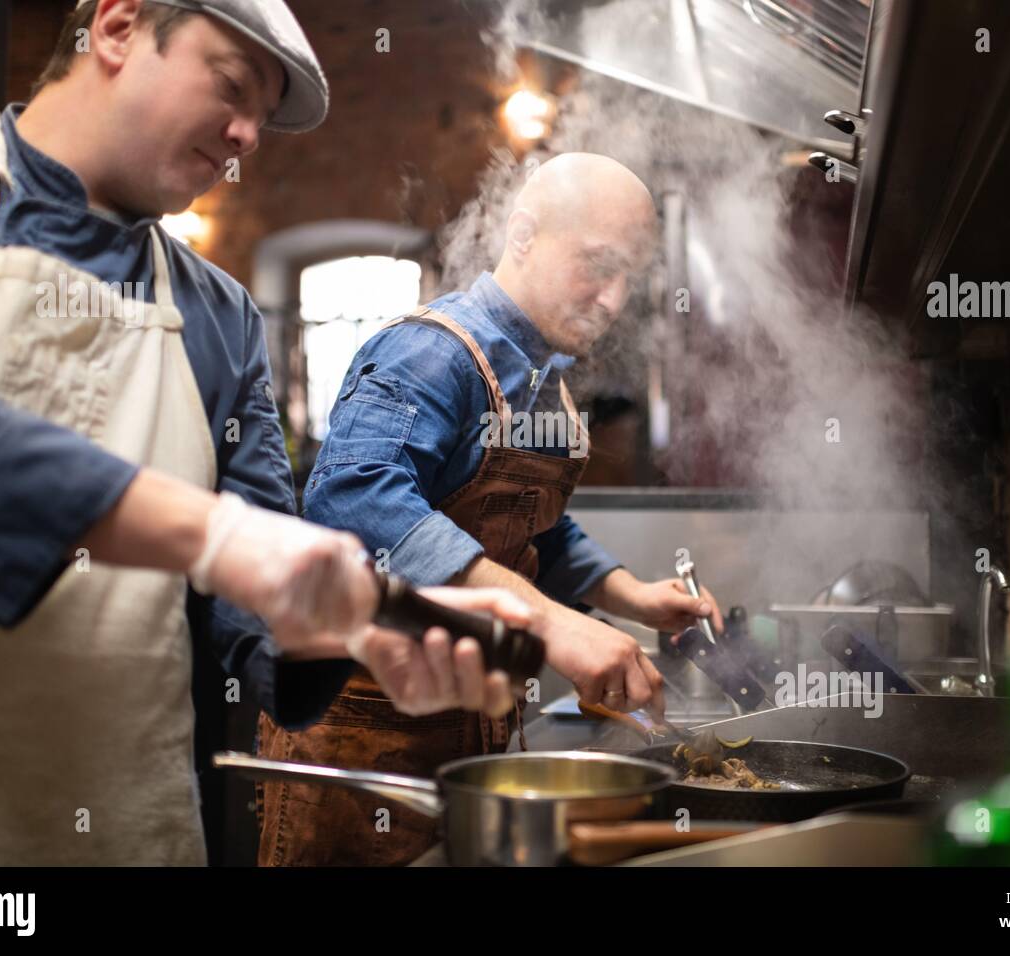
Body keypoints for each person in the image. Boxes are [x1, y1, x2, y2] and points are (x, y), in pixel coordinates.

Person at [0, 0, 525, 865]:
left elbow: (250, 598)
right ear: (116, 27)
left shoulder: (217, 312)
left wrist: (350, 626)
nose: (247, 136)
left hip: (132, 829)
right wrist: (218, 535)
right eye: (232, 88)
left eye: (263, 119)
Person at [257, 153, 723, 865]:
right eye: (598, 264)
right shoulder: (429, 353)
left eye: (632, 275)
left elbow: (532, 525)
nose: (614, 299)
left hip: (469, 731)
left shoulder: (545, 380)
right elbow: (354, 499)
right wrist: (549, 622)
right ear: (525, 234)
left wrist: (631, 597)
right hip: (364, 738)